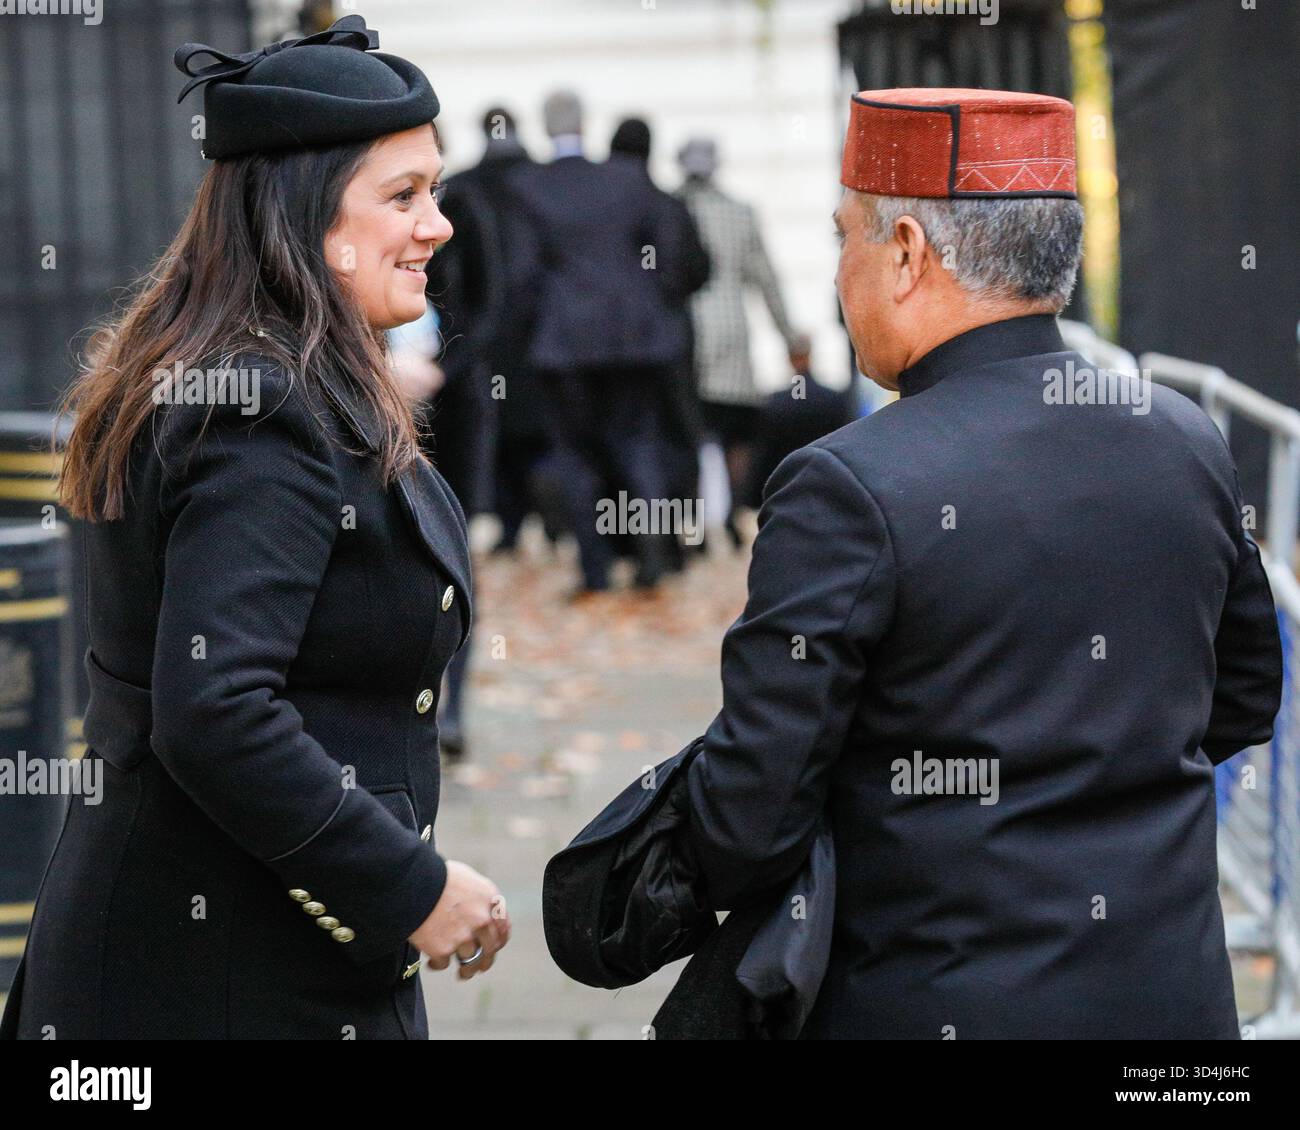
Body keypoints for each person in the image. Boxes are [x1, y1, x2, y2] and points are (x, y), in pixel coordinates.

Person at [676, 88, 1282, 1038]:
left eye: (847, 238)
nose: (841, 273)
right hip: (1175, 1015)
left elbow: (750, 818)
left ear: (908, 251)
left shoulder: (845, 483)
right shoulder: (1184, 437)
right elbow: (1245, 697)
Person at [0, 15, 509, 1041]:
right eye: (402, 195)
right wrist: (409, 884)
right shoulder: (256, 407)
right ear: (309, 218)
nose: (438, 223)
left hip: (262, 955)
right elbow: (217, 707)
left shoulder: (279, 372)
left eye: (435, 189)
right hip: (210, 975)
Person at [521, 90, 681, 596]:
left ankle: (595, 569)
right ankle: (653, 559)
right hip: (633, 339)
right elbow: (665, 253)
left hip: (564, 344)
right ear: (584, 125)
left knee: (575, 457)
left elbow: (522, 275)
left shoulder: (527, 188)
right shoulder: (628, 179)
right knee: (638, 447)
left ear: (545, 128)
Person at [675, 137, 801, 549]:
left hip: (686, 329)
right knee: (737, 434)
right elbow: (765, 279)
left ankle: (692, 521)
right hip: (732, 329)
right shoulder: (739, 213)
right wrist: (790, 335)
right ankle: (729, 517)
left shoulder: (672, 209)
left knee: (692, 433)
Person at [609, 118, 711, 569]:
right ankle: (678, 541)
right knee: (678, 439)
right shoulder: (670, 206)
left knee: (631, 440)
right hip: (671, 341)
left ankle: (636, 541)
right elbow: (700, 269)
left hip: (621, 348)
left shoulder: (608, 209)